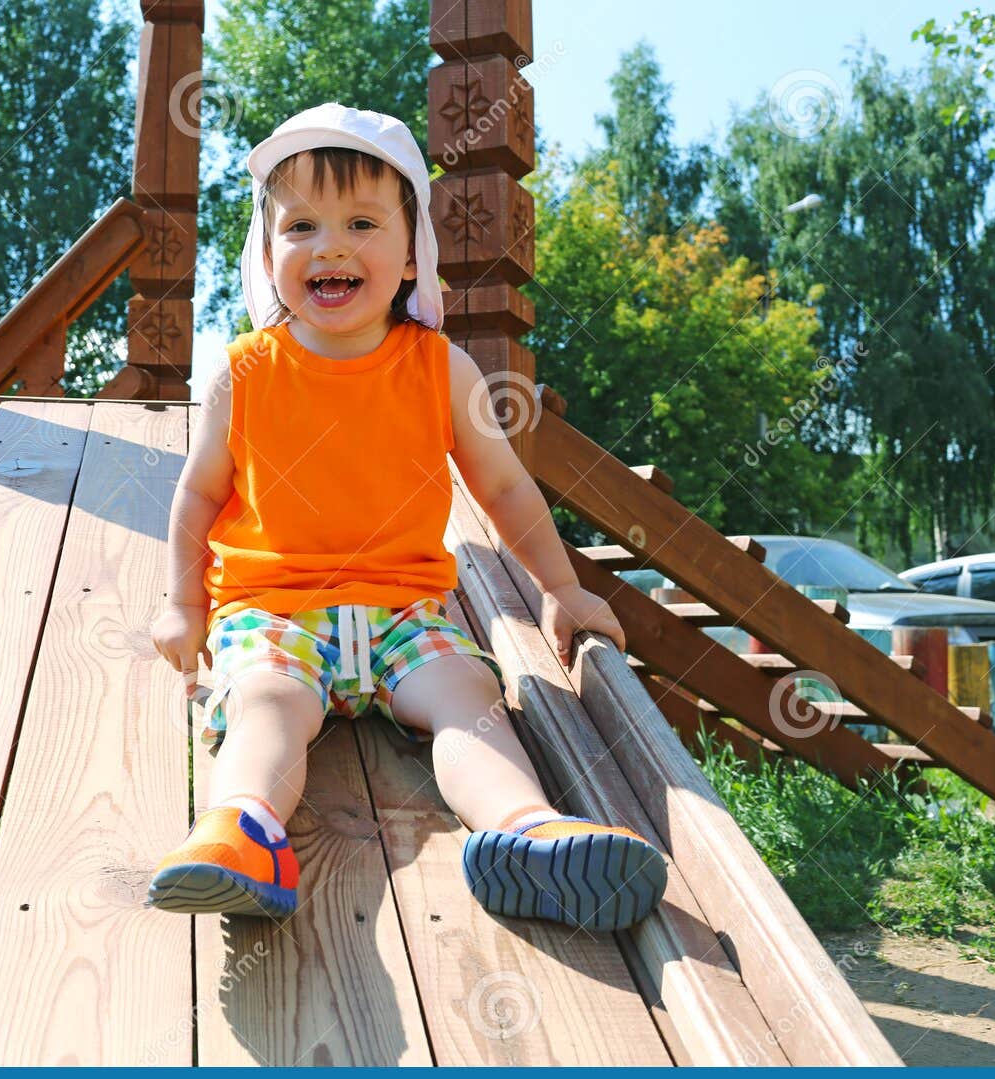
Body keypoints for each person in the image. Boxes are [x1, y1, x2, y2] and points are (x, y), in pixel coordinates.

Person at [147, 102, 667, 931]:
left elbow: (503, 487)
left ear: (410, 251)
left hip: (403, 611)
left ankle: (526, 835)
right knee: (268, 703)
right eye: (302, 226)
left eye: (361, 222)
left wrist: (562, 587)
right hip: (275, 610)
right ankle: (242, 832)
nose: (332, 246)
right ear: (268, 248)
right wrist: (184, 602)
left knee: (469, 696)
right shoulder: (245, 373)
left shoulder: (439, 368)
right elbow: (197, 495)